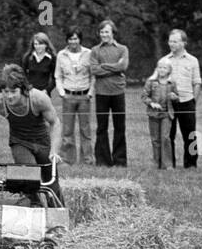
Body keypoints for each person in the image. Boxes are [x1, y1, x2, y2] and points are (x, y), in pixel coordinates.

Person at [0, 64, 65, 205]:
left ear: (23, 89)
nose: (9, 96)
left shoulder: (38, 98)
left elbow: (55, 123)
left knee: (52, 184)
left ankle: (59, 216)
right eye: (5, 91)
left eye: (13, 91)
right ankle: (34, 206)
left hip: (42, 141)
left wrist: (54, 151)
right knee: (28, 178)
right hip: (20, 142)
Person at [159, 29, 201, 168]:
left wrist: (193, 100)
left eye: (175, 41)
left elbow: (197, 82)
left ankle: (191, 164)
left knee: (190, 135)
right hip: (169, 103)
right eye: (170, 41)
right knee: (168, 136)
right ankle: (169, 164)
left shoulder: (193, 60)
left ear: (184, 43)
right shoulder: (164, 61)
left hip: (187, 101)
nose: (172, 44)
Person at [91, 20, 129, 167]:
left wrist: (104, 66)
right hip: (101, 93)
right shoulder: (95, 50)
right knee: (102, 128)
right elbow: (94, 70)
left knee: (120, 127)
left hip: (118, 92)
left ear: (113, 32)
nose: (104, 35)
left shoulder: (122, 49)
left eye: (107, 32)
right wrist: (115, 68)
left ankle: (120, 160)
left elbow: (123, 66)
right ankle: (102, 160)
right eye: (102, 32)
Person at [54, 28, 93, 165]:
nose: (73, 41)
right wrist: (62, 92)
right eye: (71, 39)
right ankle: (68, 159)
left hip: (84, 96)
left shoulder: (88, 53)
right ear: (67, 40)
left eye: (76, 38)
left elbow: (92, 74)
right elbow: (58, 75)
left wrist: (90, 92)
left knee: (85, 129)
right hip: (68, 96)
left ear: (80, 39)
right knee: (67, 130)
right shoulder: (61, 55)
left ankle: (87, 159)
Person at [142, 62, 176, 169]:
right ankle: (156, 163)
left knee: (165, 138)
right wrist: (151, 103)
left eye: (164, 68)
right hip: (154, 114)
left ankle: (167, 164)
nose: (162, 70)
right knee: (155, 139)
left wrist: (175, 97)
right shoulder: (151, 82)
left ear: (169, 70)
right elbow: (144, 96)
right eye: (160, 68)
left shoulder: (172, 83)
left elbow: (177, 97)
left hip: (166, 114)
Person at [21, 31, 56, 96]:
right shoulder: (27, 57)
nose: (37, 46)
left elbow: (55, 78)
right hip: (29, 93)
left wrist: (47, 90)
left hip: (44, 94)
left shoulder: (52, 58)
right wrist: (27, 87)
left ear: (46, 45)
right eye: (36, 44)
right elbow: (22, 75)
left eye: (40, 44)